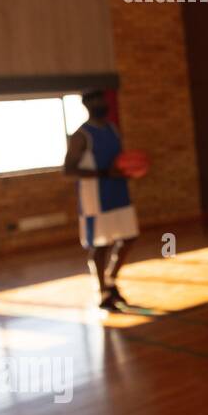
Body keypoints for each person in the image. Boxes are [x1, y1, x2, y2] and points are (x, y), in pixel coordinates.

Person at [63, 89, 139, 312]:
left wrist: (129, 168)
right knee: (101, 244)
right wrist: (105, 173)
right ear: (87, 105)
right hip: (95, 198)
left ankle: (111, 280)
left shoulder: (113, 129)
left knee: (130, 237)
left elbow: (119, 160)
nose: (101, 103)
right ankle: (102, 291)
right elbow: (68, 170)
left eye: (102, 99)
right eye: (96, 100)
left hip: (119, 191)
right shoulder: (81, 135)